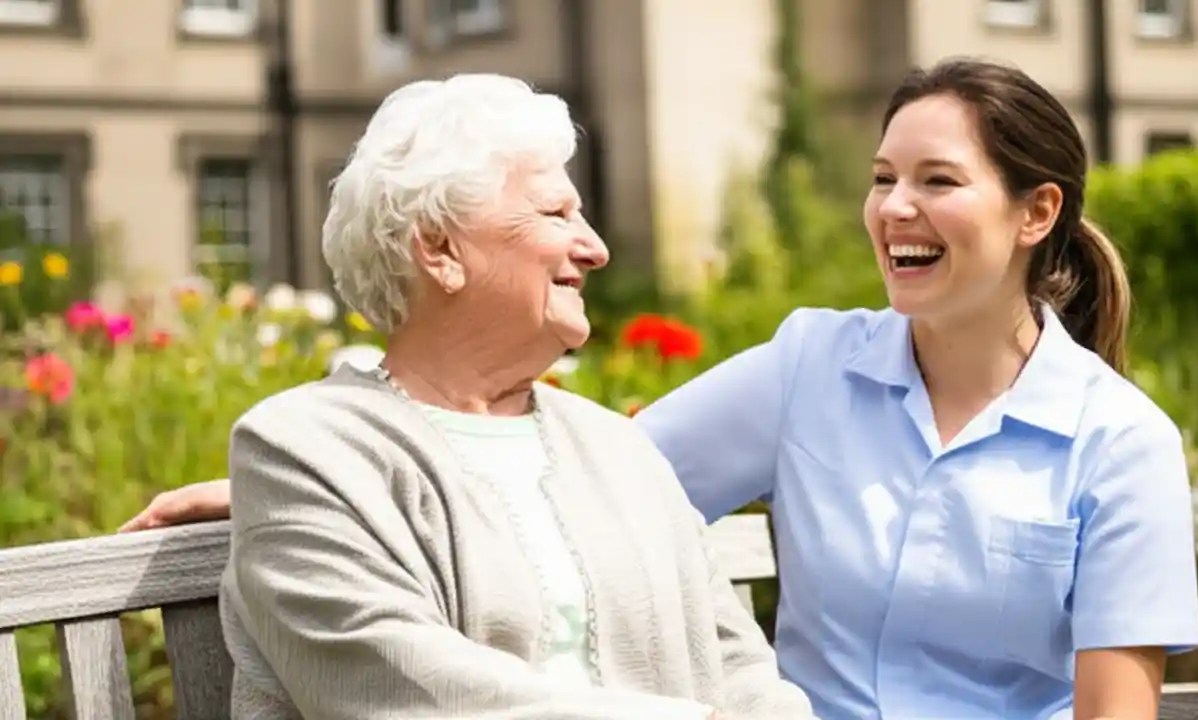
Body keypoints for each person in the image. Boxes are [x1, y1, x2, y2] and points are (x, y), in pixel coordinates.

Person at [122, 59, 1198, 719]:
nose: (892, 211)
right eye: (880, 180)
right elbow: (583, 465)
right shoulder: (809, 367)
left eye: (935, 181)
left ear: (1034, 212)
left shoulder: (1118, 444)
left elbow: (607, 476)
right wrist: (270, 486)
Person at [170, 74, 815, 720]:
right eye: (556, 213)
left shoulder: (619, 449)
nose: (596, 248)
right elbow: (409, 693)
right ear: (441, 248)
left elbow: (737, 663)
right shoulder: (300, 450)